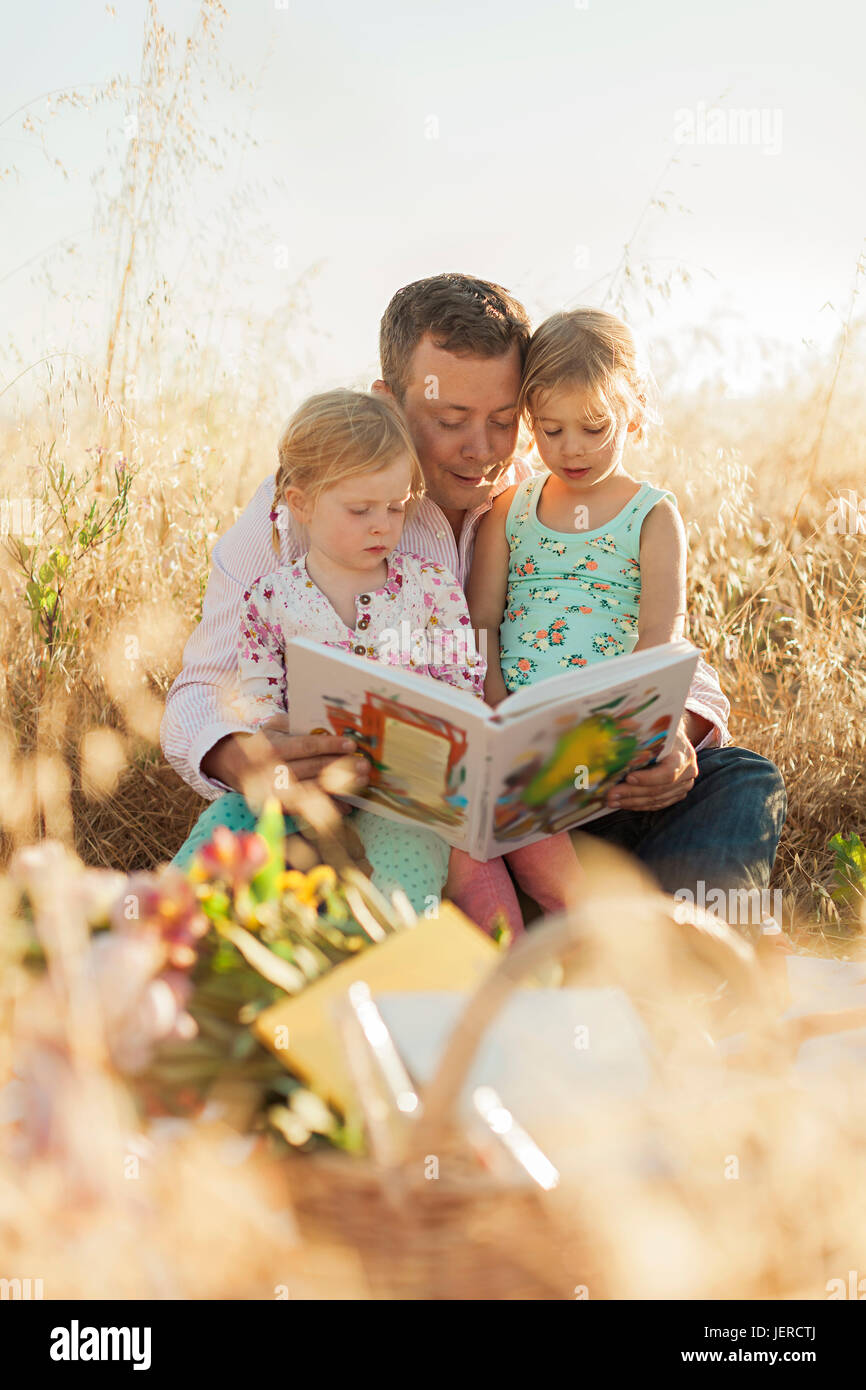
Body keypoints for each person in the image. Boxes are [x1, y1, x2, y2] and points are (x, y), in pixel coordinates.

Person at [161, 273, 785, 930]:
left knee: (738, 781)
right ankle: (576, 946)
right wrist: (246, 756)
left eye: (505, 421)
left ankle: (668, 962)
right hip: (400, 832)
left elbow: (662, 644)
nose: (483, 450)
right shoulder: (314, 503)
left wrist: (675, 740)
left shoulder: (551, 498)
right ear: (390, 402)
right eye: (450, 420)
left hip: (567, 811)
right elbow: (200, 690)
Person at [446, 307, 684, 934]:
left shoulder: (652, 516)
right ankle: (556, 945)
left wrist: (633, 731)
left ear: (633, 413)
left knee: (742, 780)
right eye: (549, 430)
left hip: (605, 742)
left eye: (594, 427)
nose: (570, 449)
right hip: (521, 738)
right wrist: (494, 702)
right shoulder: (511, 509)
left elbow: (661, 637)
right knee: (491, 824)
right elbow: (483, 619)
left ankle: (672, 941)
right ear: (529, 424)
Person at [218, 386, 486, 915]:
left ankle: (381, 971)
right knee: (225, 836)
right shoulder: (270, 600)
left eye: (395, 507)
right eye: (360, 509)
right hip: (305, 787)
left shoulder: (431, 587)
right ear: (301, 503)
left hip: (405, 800)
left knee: (397, 892)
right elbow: (259, 691)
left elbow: (463, 680)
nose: (383, 525)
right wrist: (269, 731)